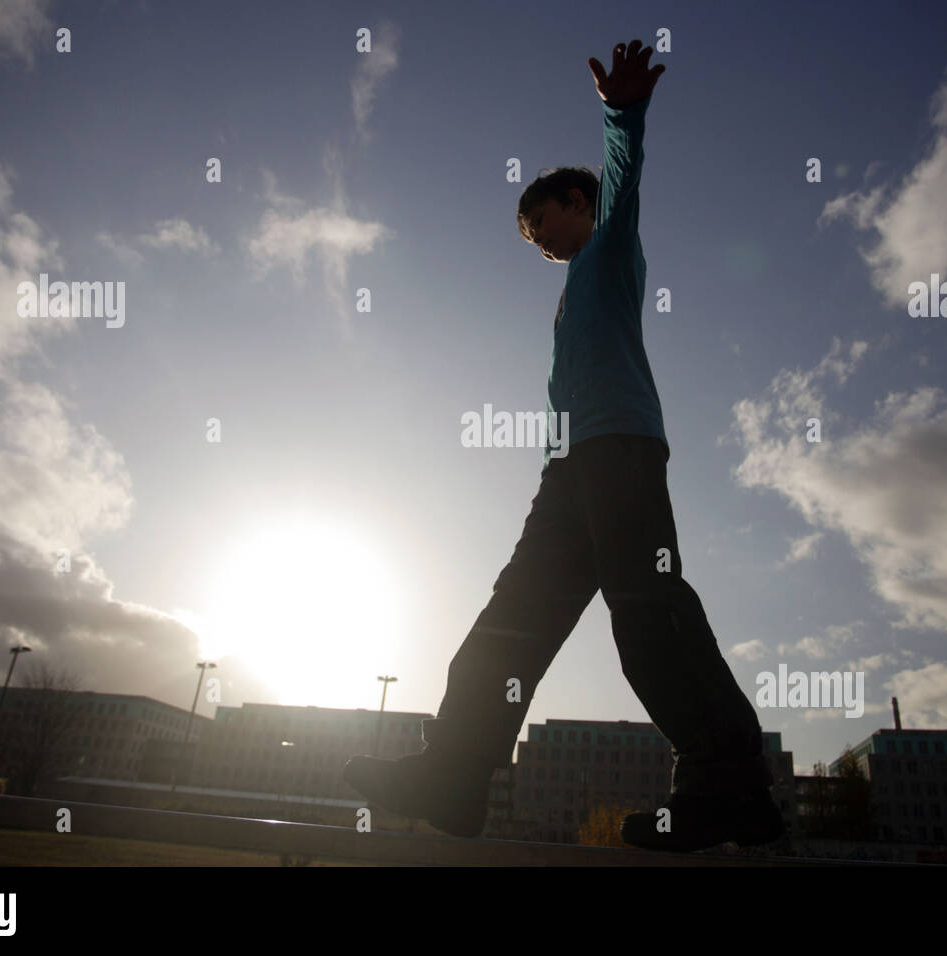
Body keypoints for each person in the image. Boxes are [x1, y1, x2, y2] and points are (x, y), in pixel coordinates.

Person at [344, 40, 784, 853]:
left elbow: (625, 176)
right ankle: (456, 772)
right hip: (567, 476)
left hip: (621, 456)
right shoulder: (571, 290)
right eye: (534, 242)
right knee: (511, 621)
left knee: (647, 615)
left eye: (546, 226)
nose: (544, 246)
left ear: (579, 203)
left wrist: (622, 113)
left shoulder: (611, 246)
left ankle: (727, 783)